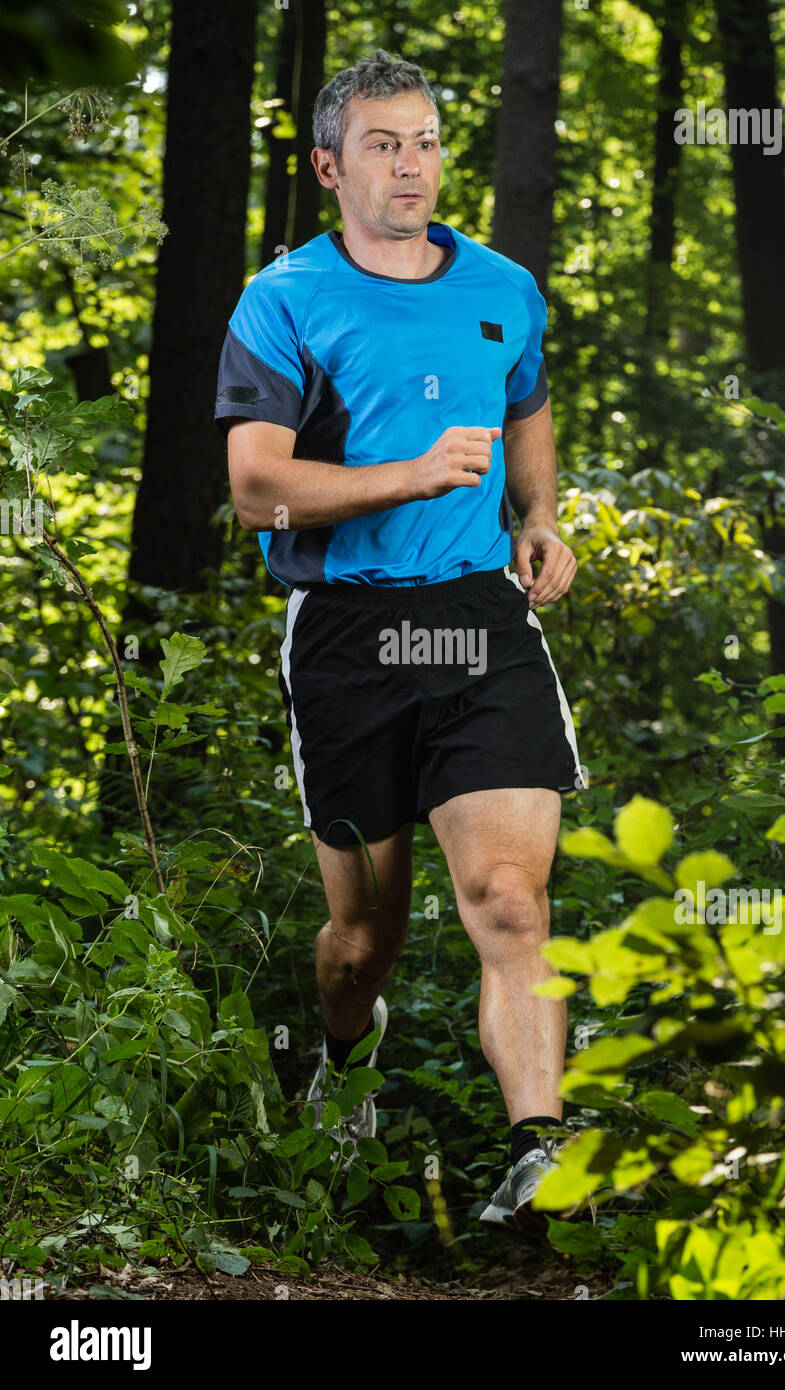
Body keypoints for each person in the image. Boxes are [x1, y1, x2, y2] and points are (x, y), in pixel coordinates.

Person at [214, 50, 587, 1228]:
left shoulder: (500, 285)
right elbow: (257, 492)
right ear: (328, 164)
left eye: (423, 138)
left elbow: (524, 403)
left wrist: (537, 518)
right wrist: (408, 476)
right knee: (364, 937)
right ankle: (343, 1059)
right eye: (381, 143)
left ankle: (539, 1150)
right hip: (347, 631)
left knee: (509, 900)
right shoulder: (282, 300)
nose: (410, 163)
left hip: (480, 616)